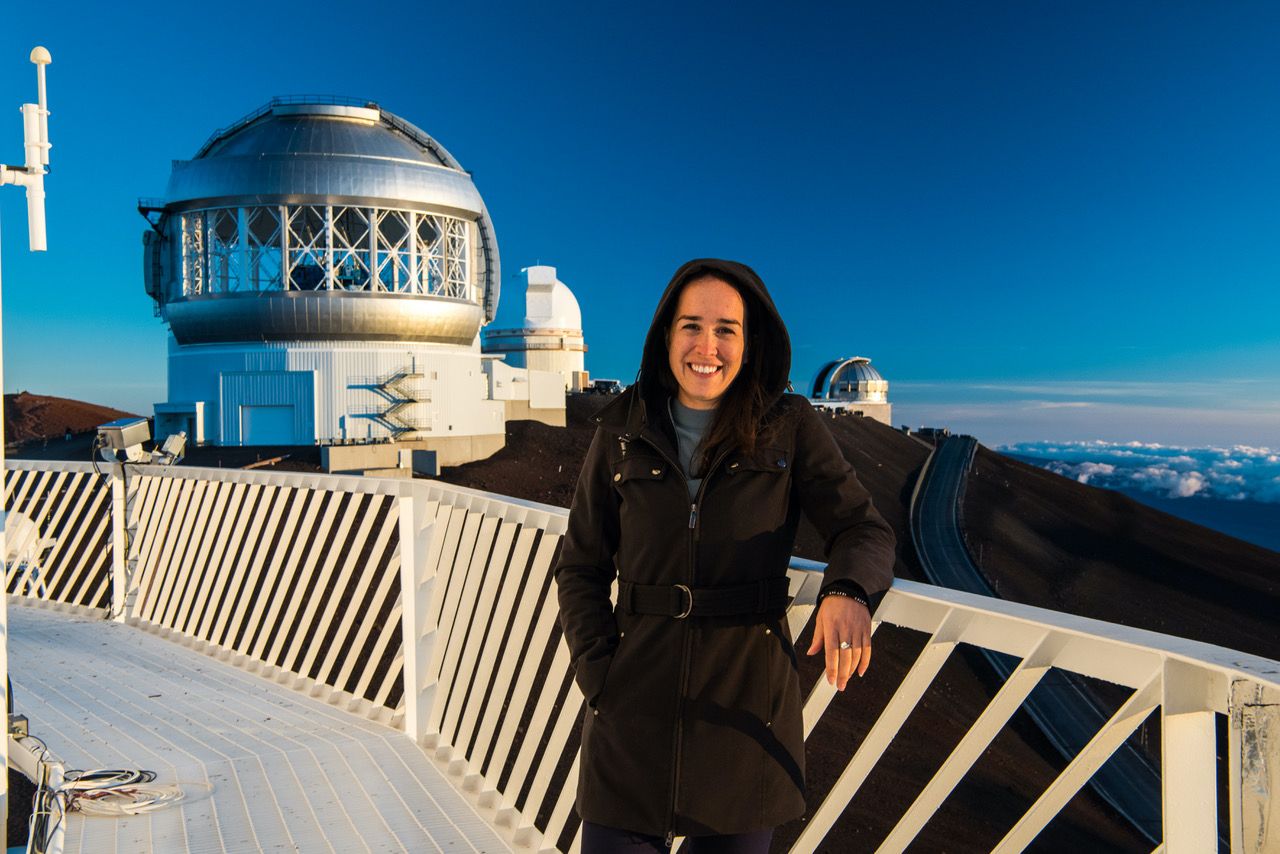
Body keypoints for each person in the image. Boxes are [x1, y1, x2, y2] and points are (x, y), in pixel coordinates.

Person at [555, 259, 896, 853]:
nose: (706, 347)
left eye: (725, 330)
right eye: (691, 325)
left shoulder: (788, 426)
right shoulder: (622, 430)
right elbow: (581, 566)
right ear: (666, 335)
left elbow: (862, 528)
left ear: (750, 342)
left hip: (745, 714)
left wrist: (847, 591)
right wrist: (599, 674)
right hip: (631, 710)